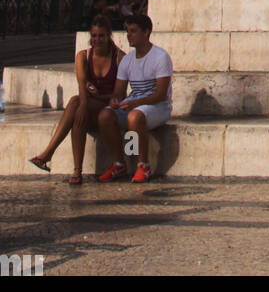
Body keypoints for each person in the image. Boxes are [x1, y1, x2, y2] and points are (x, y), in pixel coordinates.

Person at [29, 17, 123, 185]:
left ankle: (53, 156)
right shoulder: (83, 56)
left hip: (108, 109)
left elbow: (117, 95)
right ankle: (73, 169)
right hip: (89, 105)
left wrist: (93, 98)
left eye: (101, 36)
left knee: (76, 104)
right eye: (94, 36)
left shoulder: (119, 57)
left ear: (109, 36)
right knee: (77, 105)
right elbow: (81, 85)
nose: (97, 40)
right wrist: (85, 103)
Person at [96, 15, 172, 184]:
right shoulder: (127, 60)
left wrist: (134, 104)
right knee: (105, 116)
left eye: (133, 31)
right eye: (127, 31)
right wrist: (115, 101)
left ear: (146, 32)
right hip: (135, 103)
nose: (129, 35)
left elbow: (160, 94)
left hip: (158, 106)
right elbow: (119, 91)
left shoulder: (160, 57)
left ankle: (142, 164)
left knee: (134, 116)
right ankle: (118, 163)